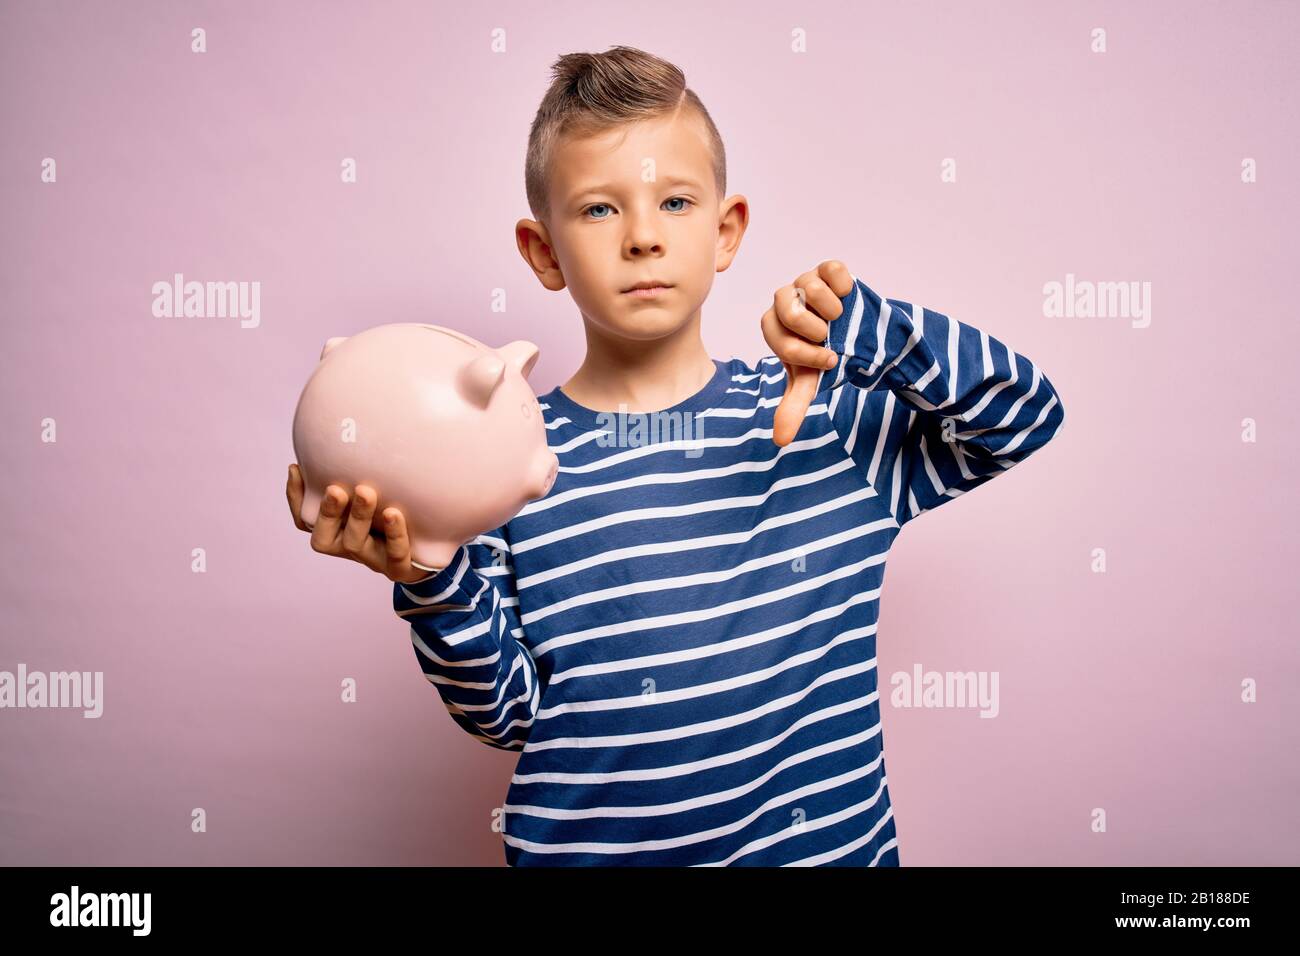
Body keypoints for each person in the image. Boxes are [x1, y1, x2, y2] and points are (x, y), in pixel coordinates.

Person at [286, 45, 1065, 866]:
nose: (645, 238)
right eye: (598, 210)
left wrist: (868, 330)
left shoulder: (827, 422)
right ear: (543, 250)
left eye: (677, 201)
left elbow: (1023, 417)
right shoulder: (499, 461)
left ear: (726, 231)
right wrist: (430, 577)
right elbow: (508, 716)